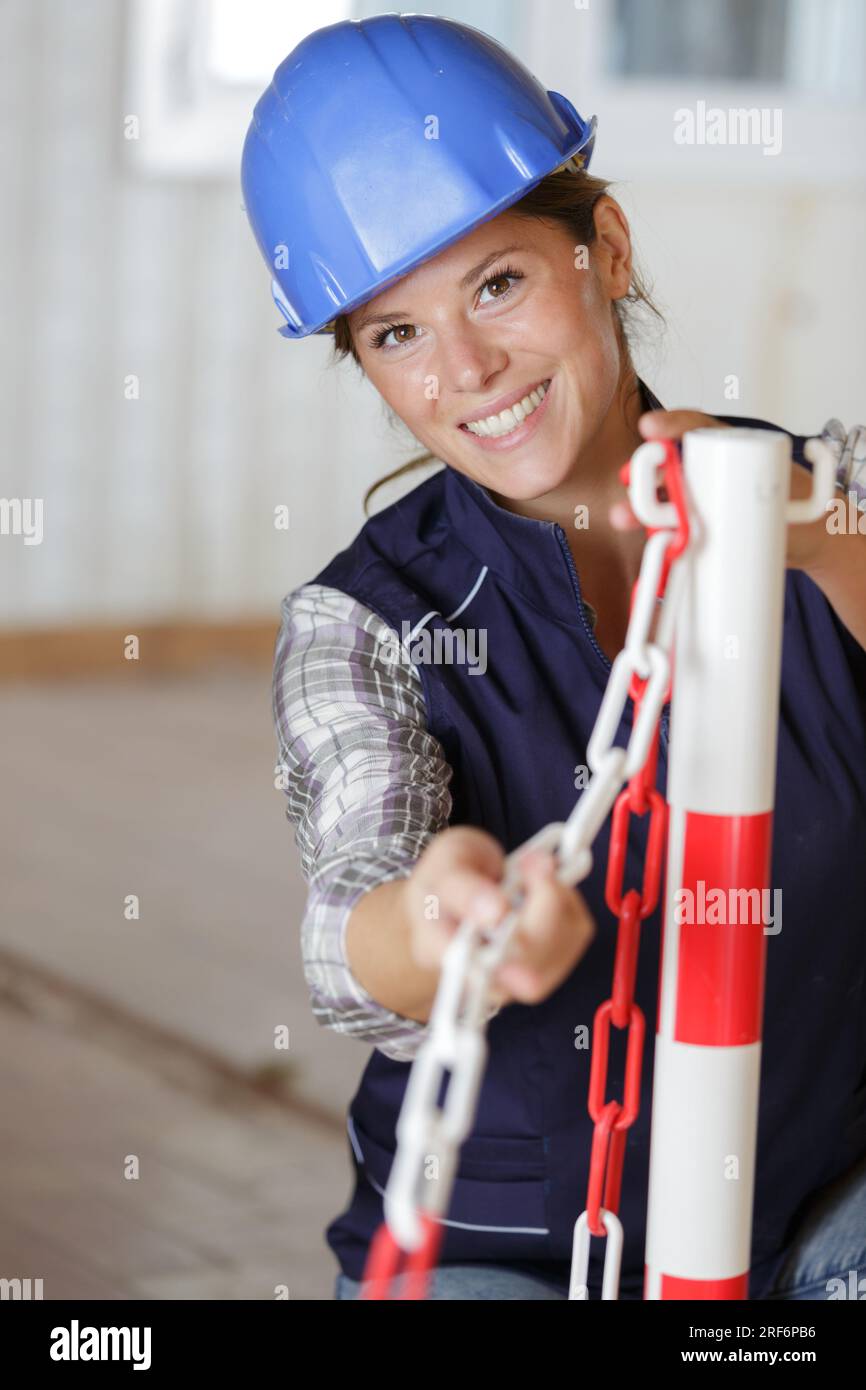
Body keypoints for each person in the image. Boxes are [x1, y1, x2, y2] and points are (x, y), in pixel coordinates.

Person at [242, 14, 866, 1300]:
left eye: (496, 283)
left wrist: (796, 526)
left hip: (819, 1214)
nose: (464, 369)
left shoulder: (814, 500)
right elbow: (345, 928)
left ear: (605, 248)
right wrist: (440, 918)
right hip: (508, 1255)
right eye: (393, 333)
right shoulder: (358, 625)